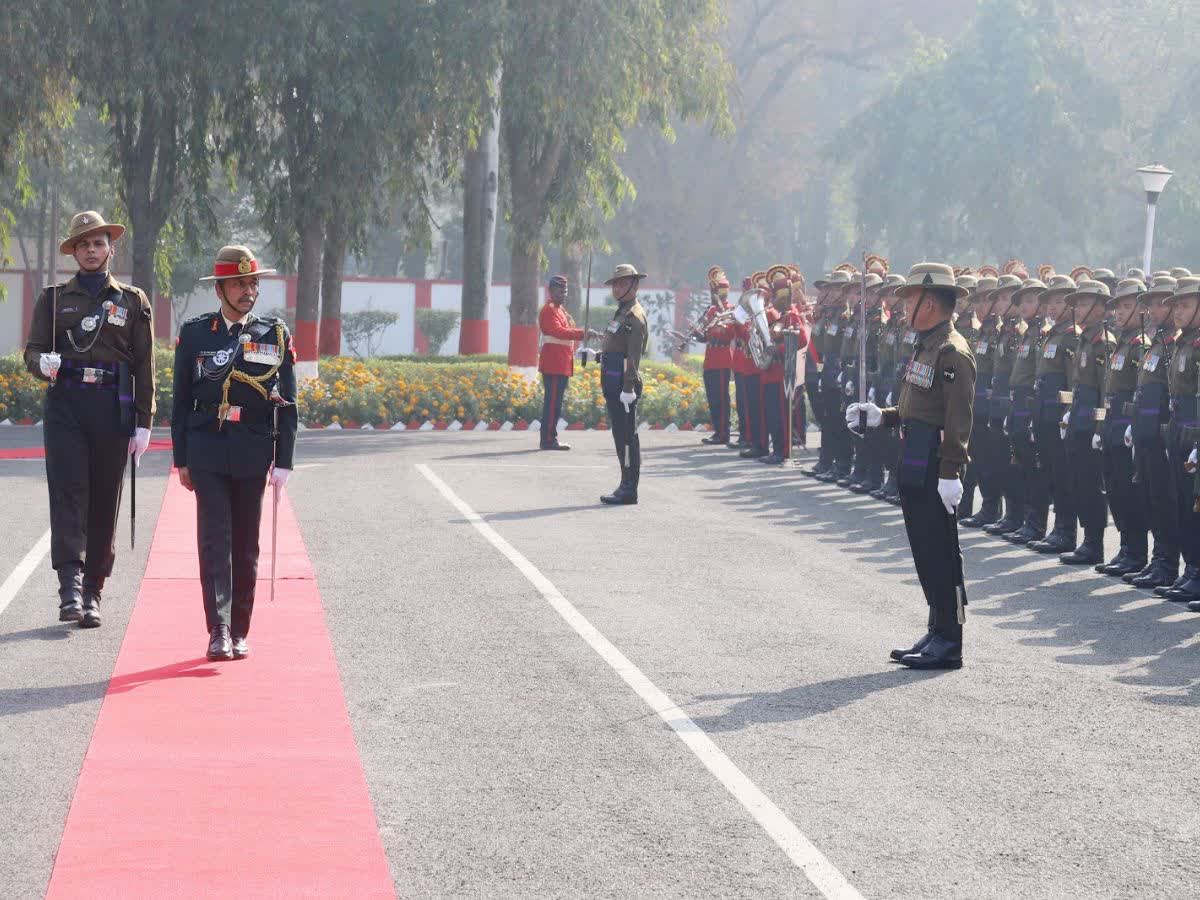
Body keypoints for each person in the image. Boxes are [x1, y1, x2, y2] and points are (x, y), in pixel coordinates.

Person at [23, 210, 155, 628]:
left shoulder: (132, 301)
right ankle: (70, 588)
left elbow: (145, 365)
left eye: (98, 243)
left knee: (103, 498)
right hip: (66, 405)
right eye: (84, 244)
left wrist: (144, 420)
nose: (92, 250)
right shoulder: (54, 299)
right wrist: (40, 363)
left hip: (112, 406)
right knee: (68, 493)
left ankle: (95, 589)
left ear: (110, 249)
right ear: (74, 253)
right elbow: (32, 351)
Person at [171, 245, 297, 660]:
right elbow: (181, 399)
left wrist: (285, 461)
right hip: (206, 445)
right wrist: (181, 458)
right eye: (240, 283)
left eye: (253, 282)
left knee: (245, 544)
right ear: (220, 288)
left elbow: (288, 401)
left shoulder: (273, 334)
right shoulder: (194, 334)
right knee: (213, 540)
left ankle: (240, 628)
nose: (248, 290)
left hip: (253, 447)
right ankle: (218, 629)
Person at [848, 262, 975, 669]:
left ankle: (950, 641)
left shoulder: (953, 351)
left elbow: (958, 418)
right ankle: (936, 628)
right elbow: (912, 407)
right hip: (915, 456)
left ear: (930, 303)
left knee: (942, 554)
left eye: (910, 300)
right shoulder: (925, 345)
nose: (903, 308)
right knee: (924, 551)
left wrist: (951, 471)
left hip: (936, 464)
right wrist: (881, 416)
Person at [1124, 274, 1180, 589]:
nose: (1154, 309)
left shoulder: (1173, 345)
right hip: (1146, 432)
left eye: (1162, 303)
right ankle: (1159, 559)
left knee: (1165, 499)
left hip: (1163, 434)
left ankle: (1168, 563)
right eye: (1151, 304)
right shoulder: (1155, 344)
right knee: (1151, 497)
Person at [1094, 278, 1150, 577]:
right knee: (1114, 488)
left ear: (1142, 310)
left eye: (1127, 306)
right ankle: (1126, 548)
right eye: (1117, 307)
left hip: (1127, 423)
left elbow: (1140, 389)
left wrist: (1130, 426)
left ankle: (1137, 552)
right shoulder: (1122, 343)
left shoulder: (1142, 345)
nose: (1119, 313)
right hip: (1112, 422)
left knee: (1129, 491)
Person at [1057, 279, 1115, 564]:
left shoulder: (1103, 342)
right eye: (1077, 303)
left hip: (1091, 424)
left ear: (1100, 307)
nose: (1077, 308)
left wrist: (1100, 429)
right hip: (1078, 419)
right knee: (1079, 481)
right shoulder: (1085, 339)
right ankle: (1087, 540)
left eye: (1083, 303)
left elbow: (1106, 392)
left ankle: (1095, 544)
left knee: (1092, 484)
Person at [1027, 274, 1082, 555]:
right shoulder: (1051, 334)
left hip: (1059, 415)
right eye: (1049, 302)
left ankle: (1065, 531)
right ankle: (1053, 529)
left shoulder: (1072, 337)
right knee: (1049, 472)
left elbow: (1074, 381)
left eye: (1059, 301)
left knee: (1063, 476)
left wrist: (1068, 414)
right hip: (1045, 413)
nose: (1052, 307)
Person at [1159, 277, 1200, 603]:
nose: (1177, 312)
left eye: (1184, 305)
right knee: (1180, 503)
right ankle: (1190, 570)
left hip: (1193, 429)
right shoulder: (1181, 342)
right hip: (1178, 428)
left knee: (1195, 505)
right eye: (1175, 306)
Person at [1003, 277, 1050, 545]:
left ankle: (1036, 523)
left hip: (1032, 402)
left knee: (1034, 465)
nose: (1024, 306)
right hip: (1018, 401)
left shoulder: (1043, 335)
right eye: (1021, 301)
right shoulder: (1027, 334)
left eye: (1031, 300)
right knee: (1020, 460)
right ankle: (1023, 519)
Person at [981, 274, 1030, 535]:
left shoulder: (1021, 332)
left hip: (1013, 401)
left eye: (1005, 298)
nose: (1001, 303)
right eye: (998, 298)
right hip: (998, 401)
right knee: (998, 457)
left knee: (1015, 461)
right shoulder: (1004, 331)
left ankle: (1017, 516)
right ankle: (1008, 513)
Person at [598, 264, 649, 505]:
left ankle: (629, 488)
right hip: (613, 380)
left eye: (621, 282)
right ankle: (624, 483)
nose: (616, 287)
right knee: (620, 436)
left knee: (628, 438)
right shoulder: (621, 312)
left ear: (634, 285)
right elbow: (615, 345)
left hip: (623, 385)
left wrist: (628, 389)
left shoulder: (634, 317)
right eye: (615, 283)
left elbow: (634, 357)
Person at [537, 275, 597, 451]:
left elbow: (566, 332)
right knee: (552, 403)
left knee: (555, 404)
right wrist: (581, 333)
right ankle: (548, 440)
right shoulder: (549, 310)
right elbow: (557, 331)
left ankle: (550, 437)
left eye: (565, 290)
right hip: (554, 364)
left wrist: (584, 334)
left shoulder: (561, 311)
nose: (563, 293)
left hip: (561, 363)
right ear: (551, 290)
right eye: (560, 290)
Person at [699, 267, 735, 445]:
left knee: (721, 397)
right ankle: (717, 430)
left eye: (715, 291)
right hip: (710, 359)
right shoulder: (711, 311)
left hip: (722, 359)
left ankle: (724, 433)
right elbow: (707, 335)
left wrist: (716, 330)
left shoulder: (729, 310)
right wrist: (700, 335)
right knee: (713, 398)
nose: (713, 295)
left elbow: (728, 334)